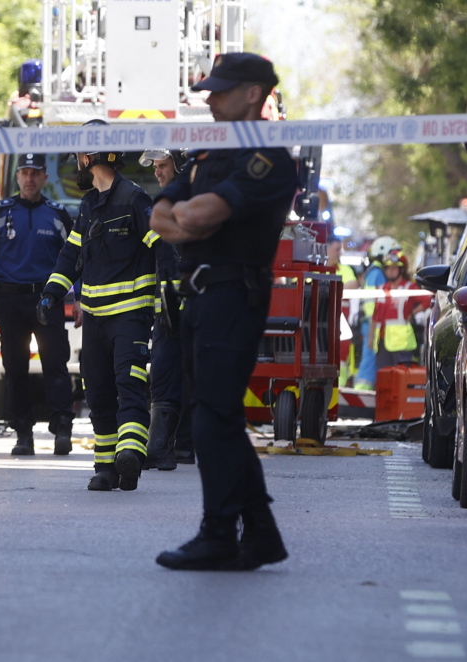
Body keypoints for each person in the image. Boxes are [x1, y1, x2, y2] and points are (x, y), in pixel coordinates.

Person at [149, 52, 297, 570]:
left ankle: (218, 533)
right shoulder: (210, 152)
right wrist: (190, 219)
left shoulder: (268, 156)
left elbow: (198, 212)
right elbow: (162, 214)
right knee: (218, 416)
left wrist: (191, 217)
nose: (208, 99)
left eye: (220, 91)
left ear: (253, 94)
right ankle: (259, 532)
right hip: (196, 297)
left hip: (233, 295)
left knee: (214, 417)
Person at [39, 119, 172, 491]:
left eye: (80, 153)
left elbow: (162, 248)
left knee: (128, 386)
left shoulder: (133, 199)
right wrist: (51, 292)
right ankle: (105, 468)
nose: (77, 160)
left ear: (91, 154)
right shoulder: (89, 205)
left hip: (130, 315)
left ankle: (130, 457)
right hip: (95, 319)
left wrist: (169, 297)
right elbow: (71, 254)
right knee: (97, 391)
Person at [0, 153, 77, 456]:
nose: (30, 178)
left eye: (36, 173)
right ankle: (23, 434)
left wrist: (82, 297)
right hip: (9, 300)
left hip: (47, 300)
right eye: (25, 173)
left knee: (56, 366)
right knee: (16, 369)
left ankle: (62, 428)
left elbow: (76, 259)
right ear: (17, 177)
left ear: (45, 177)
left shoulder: (58, 214)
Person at [138, 149, 186, 471]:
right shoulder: (161, 205)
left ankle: (179, 446)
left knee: (188, 374)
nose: (157, 172)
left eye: (163, 165)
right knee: (165, 371)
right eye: (155, 167)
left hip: (196, 305)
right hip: (167, 308)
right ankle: (165, 447)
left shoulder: (196, 202)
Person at [369, 249, 431, 369]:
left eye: (394, 268)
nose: (390, 271)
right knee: (384, 376)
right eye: (388, 268)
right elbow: (376, 315)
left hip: (401, 344)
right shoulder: (382, 289)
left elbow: (427, 300)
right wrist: (371, 337)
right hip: (382, 343)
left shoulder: (409, 287)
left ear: (401, 270)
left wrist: (412, 313)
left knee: (401, 377)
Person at [354, 236, 399, 390]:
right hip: (373, 321)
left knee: (371, 355)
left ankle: (366, 389)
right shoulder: (378, 273)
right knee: (370, 357)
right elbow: (380, 300)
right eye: (392, 253)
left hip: (370, 320)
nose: (394, 257)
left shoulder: (373, 271)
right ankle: (361, 390)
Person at [327, 236, 358, 387]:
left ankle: (340, 388)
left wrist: (328, 290)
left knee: (341, 358)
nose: (339, 253)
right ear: (325, 249)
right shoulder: (315, 268)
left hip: (340, 324)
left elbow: (353, 284)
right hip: (320, 322)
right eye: (336, 250)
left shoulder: (344, 269)